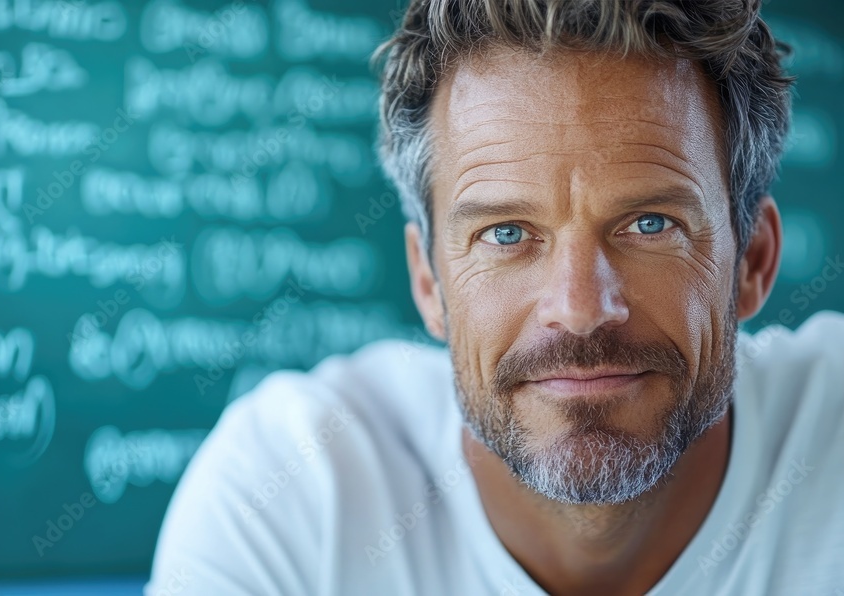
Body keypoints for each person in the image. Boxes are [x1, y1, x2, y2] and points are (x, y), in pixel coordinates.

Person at [145, 0, 844, 594]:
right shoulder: (290, 502)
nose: (578, 307)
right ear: (429, 282)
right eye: (506, 232)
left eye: (649, 224)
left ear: (752, 259)